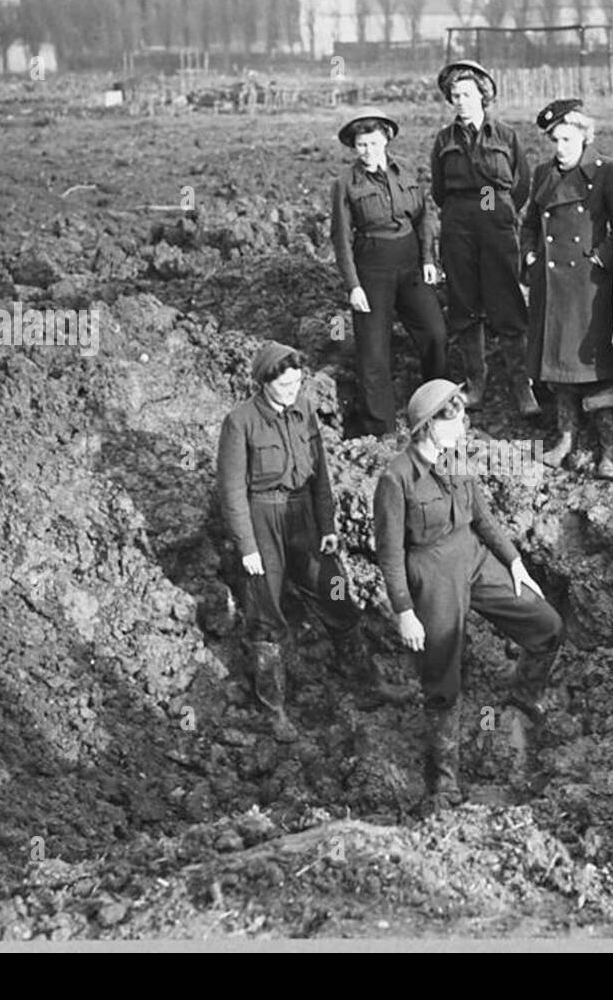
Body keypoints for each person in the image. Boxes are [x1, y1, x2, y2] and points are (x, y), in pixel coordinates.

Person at [372, 379, 564, 813]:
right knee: (442, 679)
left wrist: (515, 563)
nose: (464, 426)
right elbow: (389, 554)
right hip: (431, 573)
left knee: (546, 625)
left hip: (473, 558)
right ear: (427, 427)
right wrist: (404, 611)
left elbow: (481, 515)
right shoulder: (395, 479)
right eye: (456, 419)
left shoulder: (455, 458)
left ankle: (524, 695)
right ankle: (443, 782)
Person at [217, 341, 399, 742]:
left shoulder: (305, 412)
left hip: (304, 519)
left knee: (334, 591)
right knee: (265, 613)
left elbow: (320, 477)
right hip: (263, 519)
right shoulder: (240, 422)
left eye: (298, 382)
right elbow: (231, 491)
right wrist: (247, 547)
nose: (293, 390)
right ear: (265, 382)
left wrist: (328, 525)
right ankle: (275, 710)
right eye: (284, 384)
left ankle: (367, 682)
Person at [520, 99, 613, 479]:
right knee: (557, 368)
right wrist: (531, 256)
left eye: (567, 139)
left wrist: (602, 254)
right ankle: (565, 439)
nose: (560, 148)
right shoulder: (541, 174)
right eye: (555, 140)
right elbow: (530, 224)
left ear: (585, 138)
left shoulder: (606, 172)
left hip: (589, 287)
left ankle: (609, 451)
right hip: (552, 287)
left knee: (596, 368)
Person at [429, 59, 540, 416]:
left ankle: (522, 387)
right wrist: (464, 213)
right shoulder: (444, 139)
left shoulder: (505, 135)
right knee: (464, 304)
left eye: (466, 93)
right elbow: (438, 189)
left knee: (506, 302)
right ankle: (476, 383)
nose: (460, 100)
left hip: (496, 221)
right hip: (458, 223)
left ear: (482, 95)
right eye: (454, 95)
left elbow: (521, 184)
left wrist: (496, 211)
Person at [330, 107, 447, 439]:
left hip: (410, 264)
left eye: (373, 143)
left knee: (435, 333)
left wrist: (428, 260)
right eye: (361, 145)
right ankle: (380, 428)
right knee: (373, 352)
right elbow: (341, 239)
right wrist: (353, 285)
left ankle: (435, 407)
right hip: (371, 268)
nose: (367, 151)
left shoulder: (406, 172)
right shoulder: (345, 183)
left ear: (386, 140)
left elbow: (424, 217)